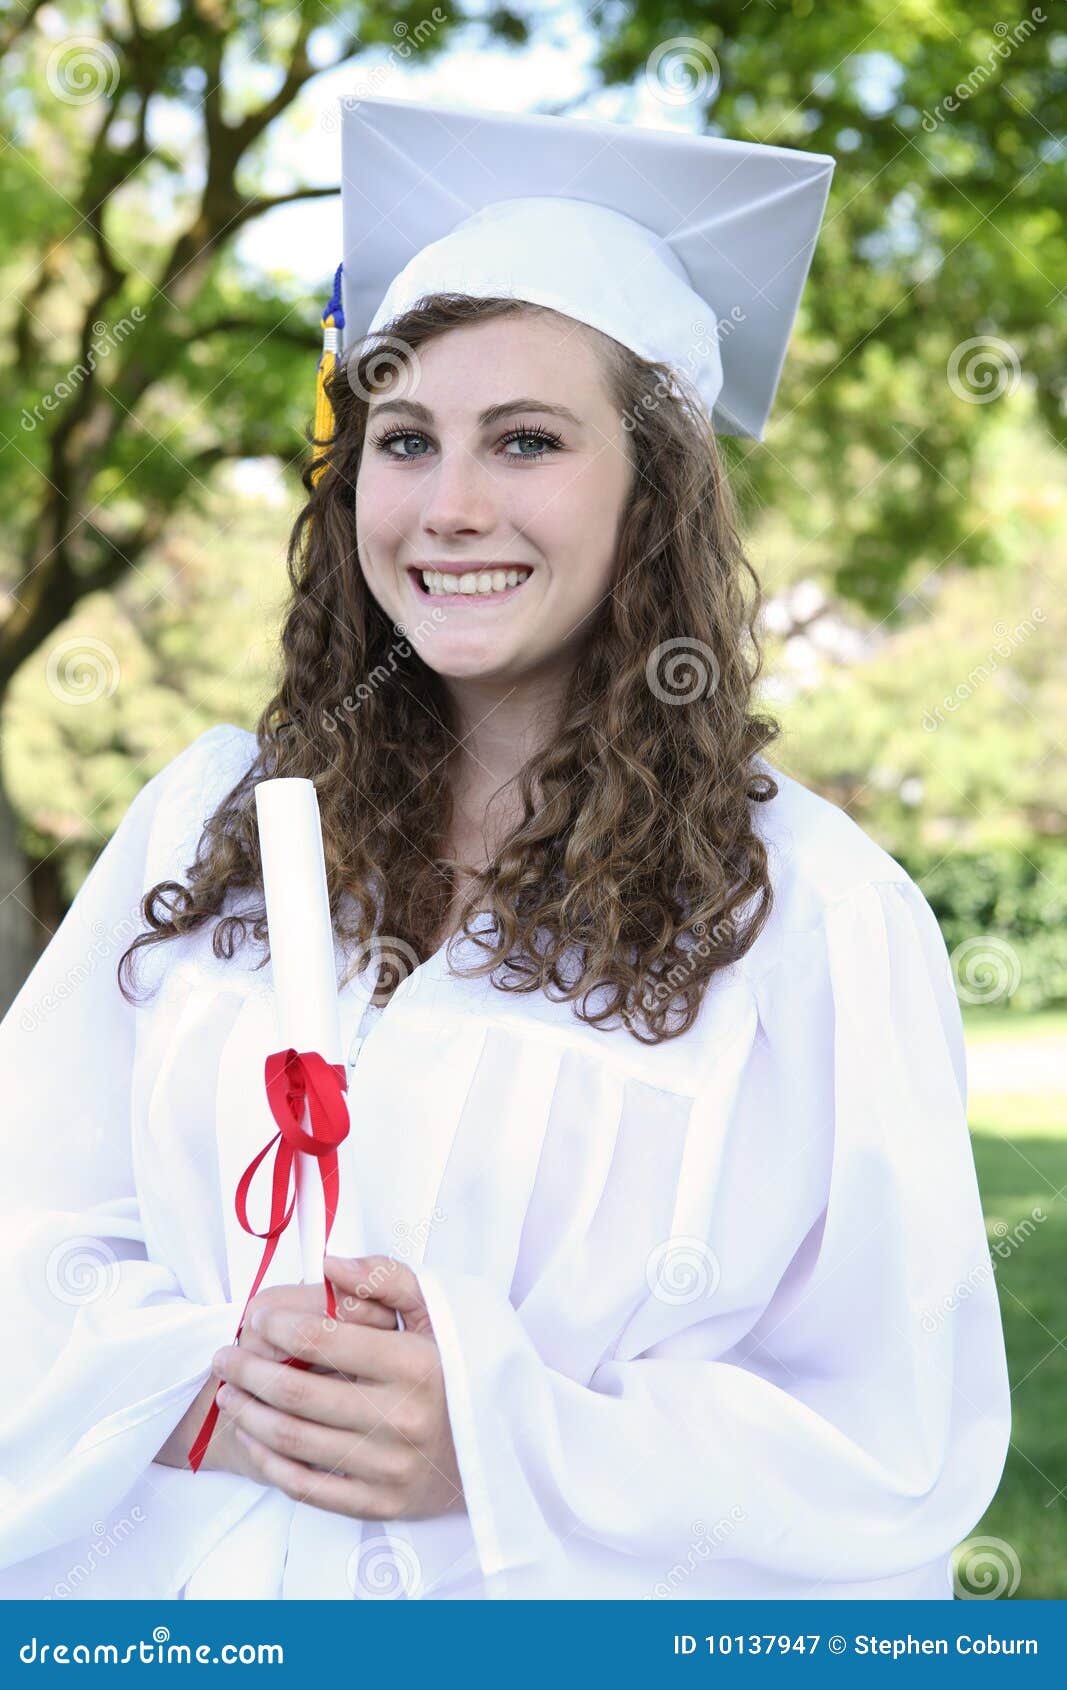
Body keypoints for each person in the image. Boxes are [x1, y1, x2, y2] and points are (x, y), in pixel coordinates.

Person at [0, 95, 1010, 1601]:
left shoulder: (811, 910)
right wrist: (208, 1383)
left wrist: (503, 1436)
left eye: (527, 440)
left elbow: (883, 1431)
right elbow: (31, 1222)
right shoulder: (214, 819)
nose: (450, 505)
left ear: (652, 491)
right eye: (404, 440)